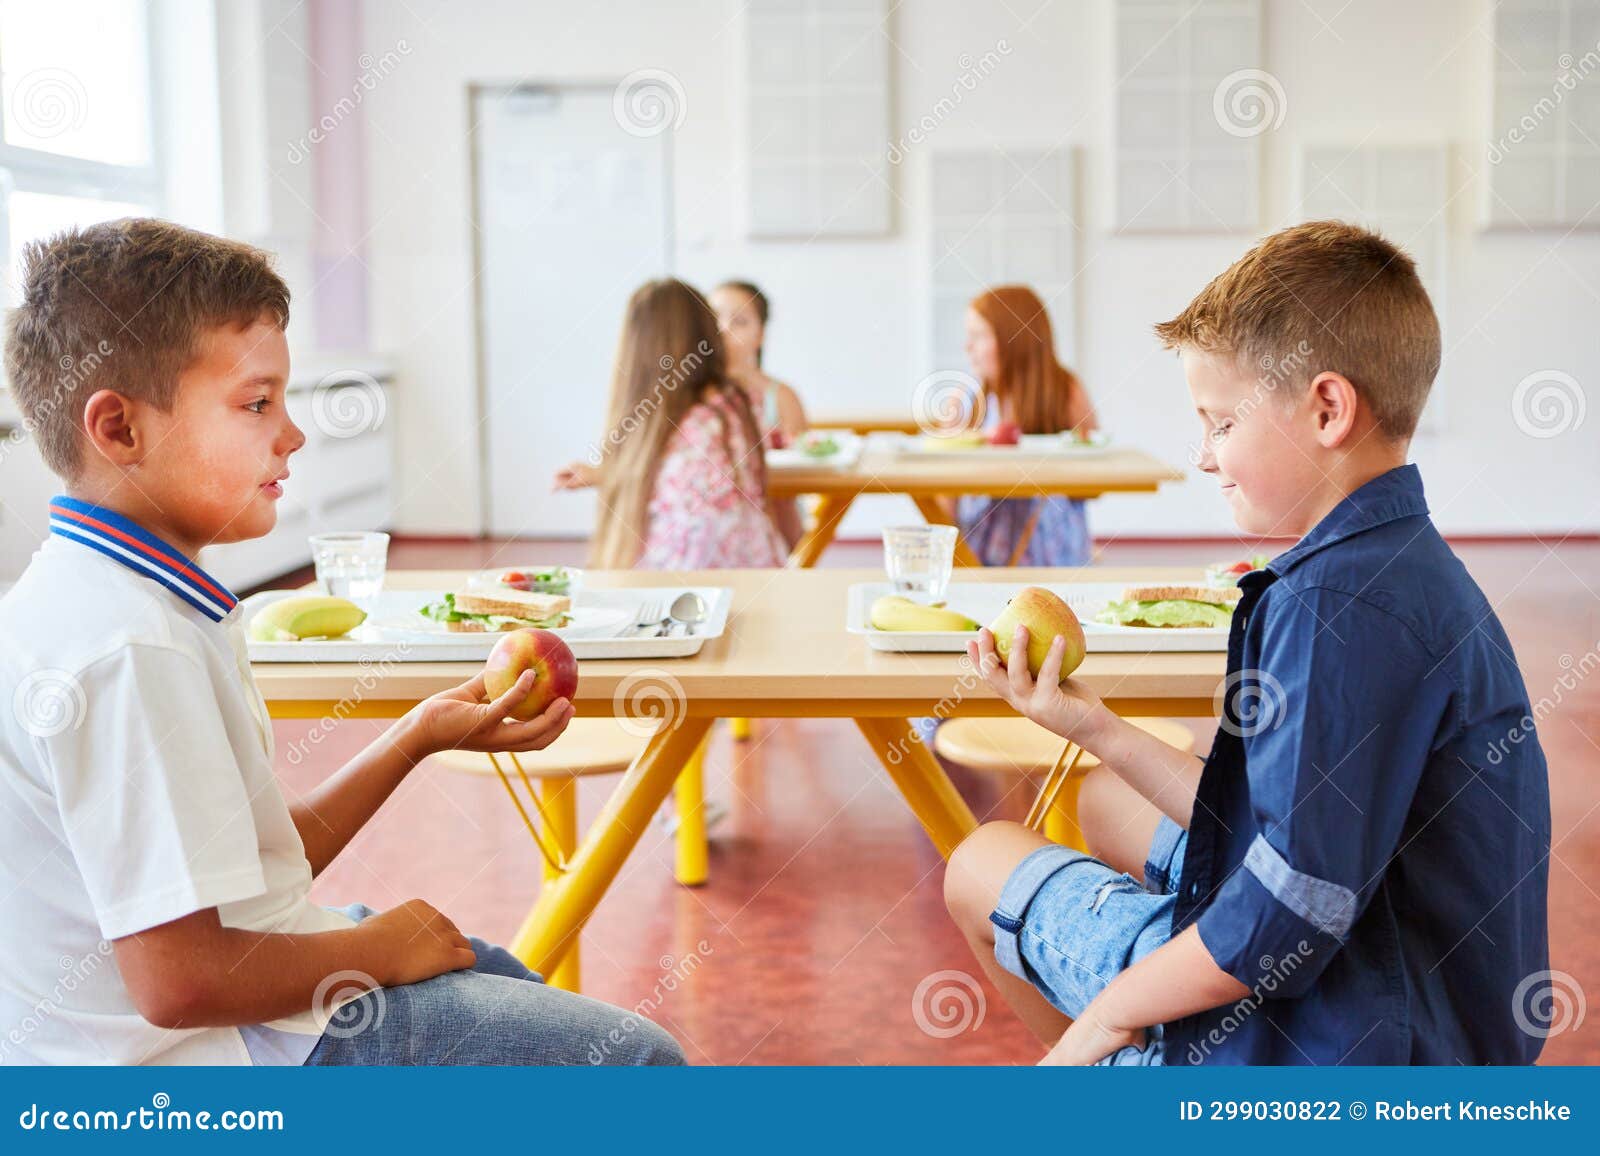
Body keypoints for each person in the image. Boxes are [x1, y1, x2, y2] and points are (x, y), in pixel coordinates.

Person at [0, 219, 684, 1066]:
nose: (292, 433)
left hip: (243, 994)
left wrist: (417, 736)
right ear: (119, 430)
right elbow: (181, 984)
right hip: (206, 1063)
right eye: (256, 404)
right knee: (641, 1065)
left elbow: (253, 864)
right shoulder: (130, 650)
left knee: (507, 975)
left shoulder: (104, 600)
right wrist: (376, 953)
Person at [942, 221, 1550, 1065]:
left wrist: (1113, 1012)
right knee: (1103, 799)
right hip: (1428, 1004)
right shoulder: (1399, 564)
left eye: (1221, 423)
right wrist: (1091, 725)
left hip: (1344, 1044)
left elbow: (1290, 908)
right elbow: (1283, 829)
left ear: (1328, 409)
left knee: (978, 861)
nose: (1203, 456)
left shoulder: (1333, 605)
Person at [587, 279, 786, 570]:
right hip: (745, 578)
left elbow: (696, 541)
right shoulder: (728, 405)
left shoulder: (700, 424)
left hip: (709, 594)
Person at [958, 286, 1097, 566]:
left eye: (979, 336)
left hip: (1051, 548)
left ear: (1014, 339)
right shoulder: (971, 400)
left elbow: (1092, 486)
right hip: (983, 539)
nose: (967, 347)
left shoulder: (1066, 392)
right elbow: (948, 485)